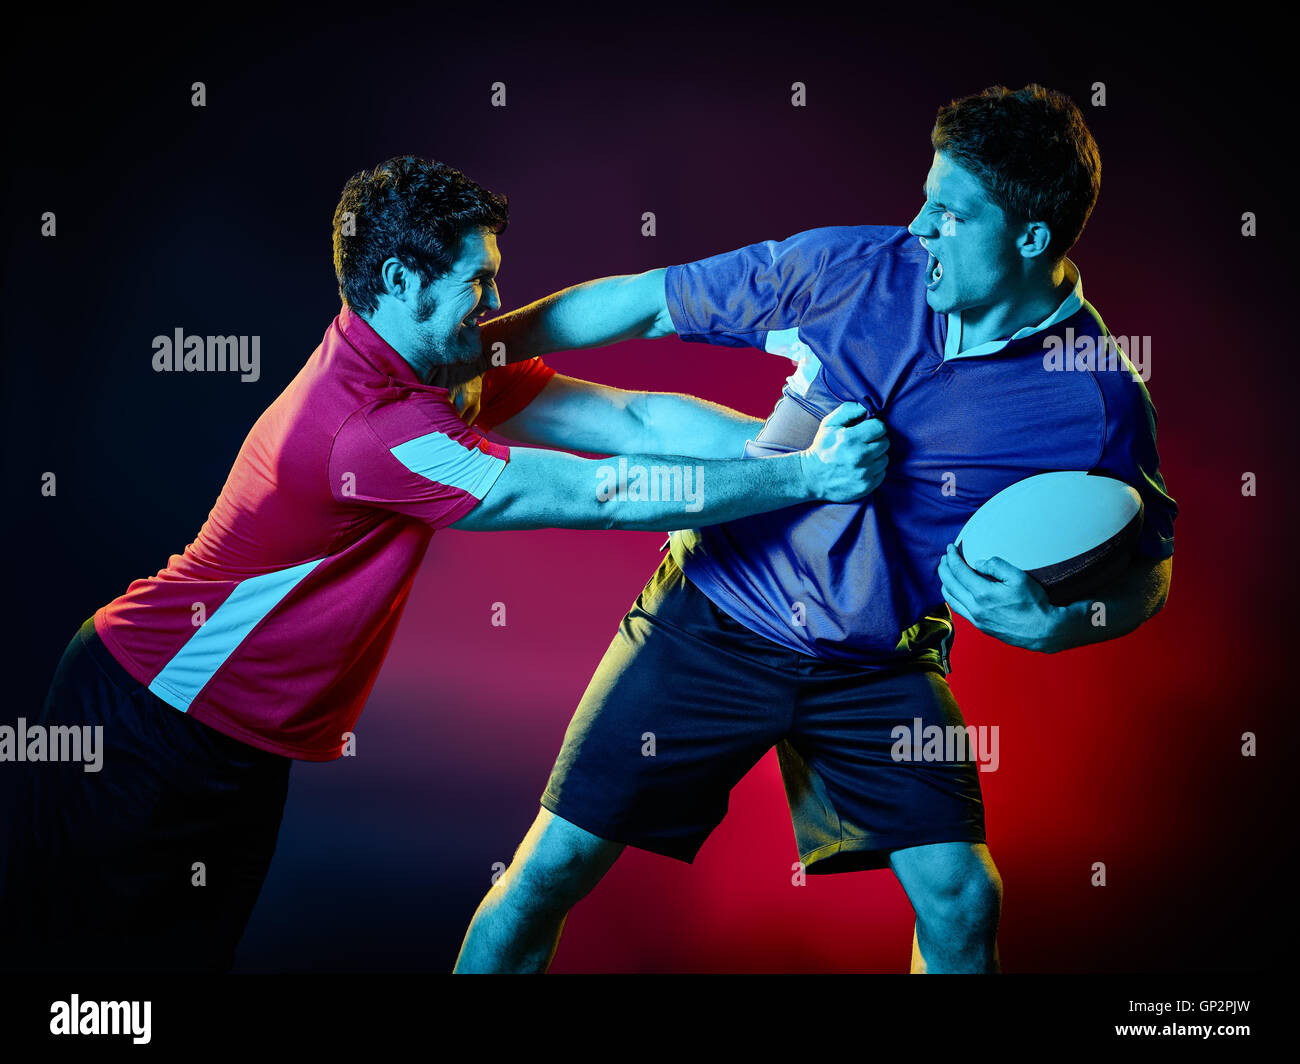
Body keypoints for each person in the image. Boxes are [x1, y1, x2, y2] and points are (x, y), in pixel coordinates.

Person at [0, 156, 889, 972]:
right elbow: (607, 492)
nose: (497, 298)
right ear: (398, 281)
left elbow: (633, 423)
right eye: (479, 280)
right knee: (98, 999)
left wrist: (805, 446)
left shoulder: (432, 361)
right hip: (152, 720)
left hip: (234, 741)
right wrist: (805, 477)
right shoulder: (372, 430)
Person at [453, 84, 1177, 974]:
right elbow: (647, 302)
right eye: (925, 197)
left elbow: (1149, 565)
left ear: (1031, 239)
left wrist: (1067, 624)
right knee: (550, 866)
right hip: (715, 616)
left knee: (963, 898)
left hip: (875, 661)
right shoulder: (854, 270)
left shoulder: (1095, 393)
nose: (920, 227)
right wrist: (475, 349)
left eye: (951, 216)